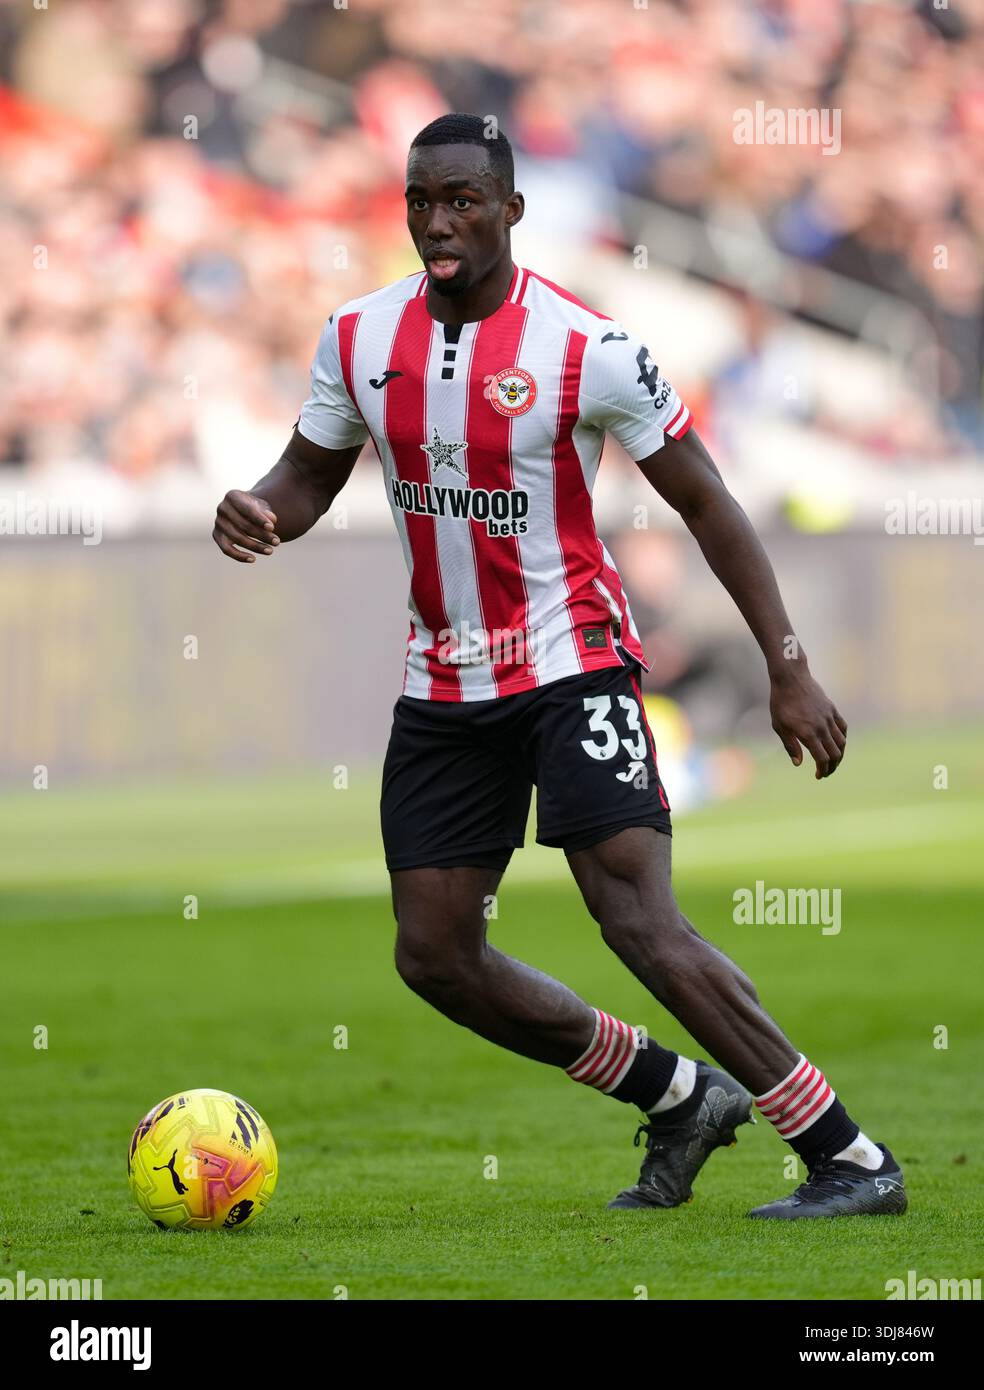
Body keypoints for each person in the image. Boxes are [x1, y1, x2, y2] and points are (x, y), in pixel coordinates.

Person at [213, 113, 905, 1219]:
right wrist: (259, 510)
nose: (440, 224)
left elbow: (706, 501)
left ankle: (849, 1156)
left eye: (464, 202)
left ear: (512, 210)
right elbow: (307, 473)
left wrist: (787, 664)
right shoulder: (357, 335)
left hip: (570, 664)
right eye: (422, 202)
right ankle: (678, 1096)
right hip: (443, 684)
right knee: (435, 952)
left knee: (636, 916)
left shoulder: (587, 345)